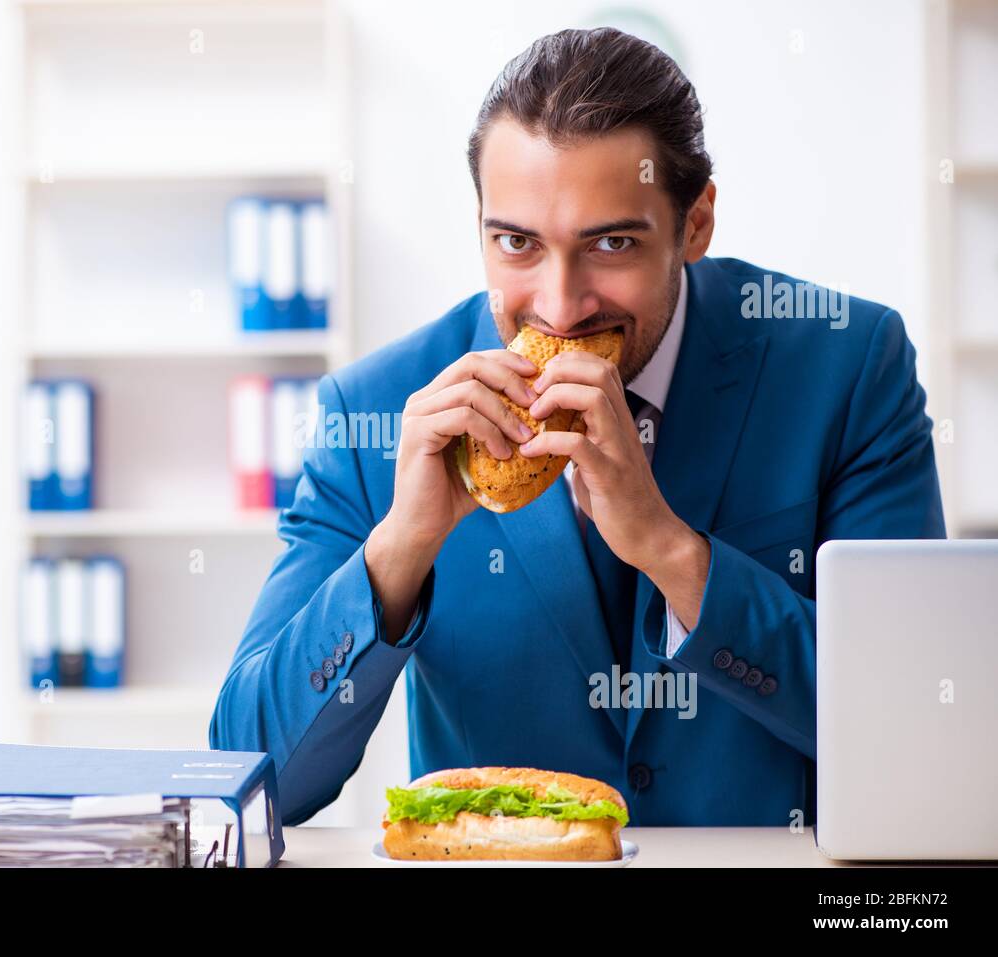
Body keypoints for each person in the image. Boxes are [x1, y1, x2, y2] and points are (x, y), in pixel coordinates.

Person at [209, 27, 945, 827]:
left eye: (612, 243)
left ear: (696, 224)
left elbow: (918, 728)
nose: (560, 306)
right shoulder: (374, 410)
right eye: (517, 243)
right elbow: (246, 778)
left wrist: (674, 554)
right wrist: (399, 550)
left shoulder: (848, 368)